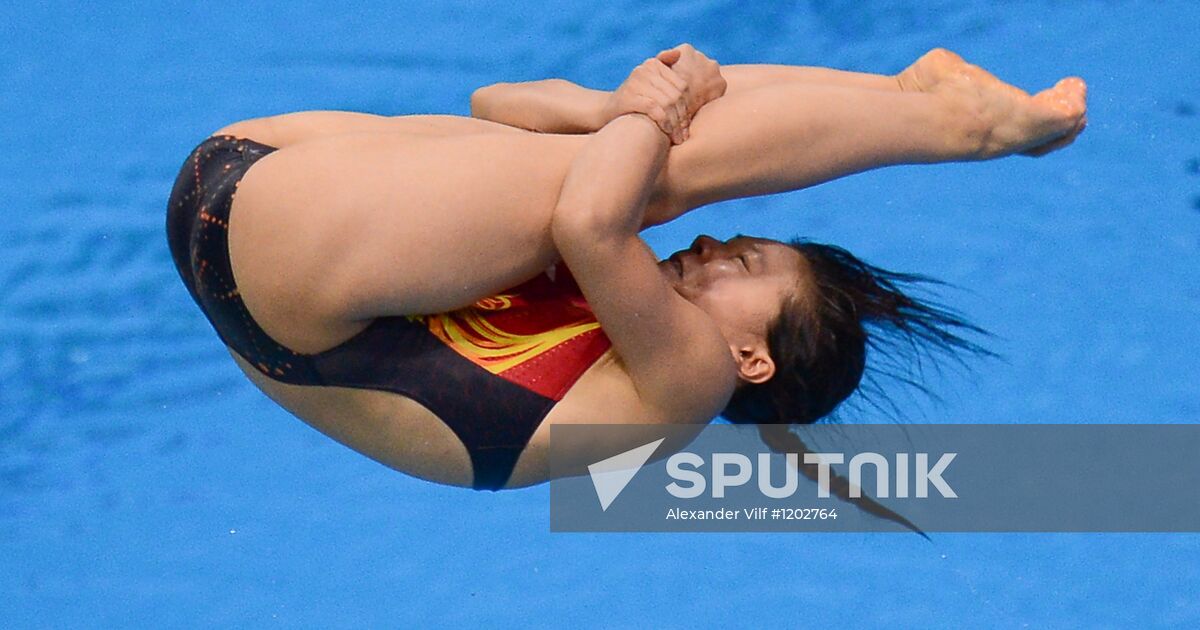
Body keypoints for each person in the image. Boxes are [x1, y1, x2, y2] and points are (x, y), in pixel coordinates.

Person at [166, 46, 1086, 501]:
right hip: (261, 205)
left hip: (273, 250)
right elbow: (495, 107)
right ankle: (901, 96)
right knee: (647, 144)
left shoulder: (690, 381)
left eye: (749, 264)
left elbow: (590, 216)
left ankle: (968, 128)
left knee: (656, 173)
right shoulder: (629, 321)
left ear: (752, 359)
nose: (722, 252)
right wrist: (629, 106)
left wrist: (647, 116)